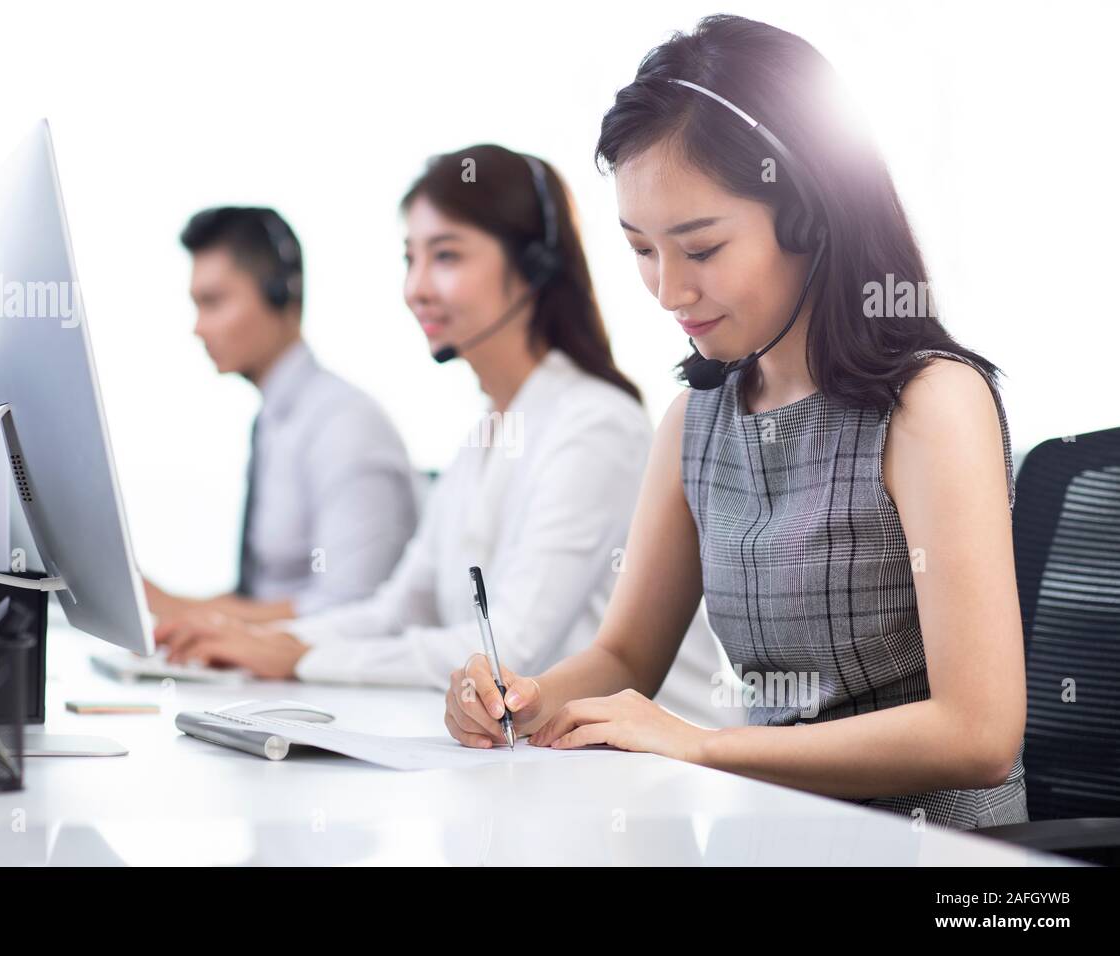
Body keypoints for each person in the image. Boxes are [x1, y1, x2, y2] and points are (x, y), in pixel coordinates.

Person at [444, 16, 1028, 830]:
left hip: (932, 853)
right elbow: (625, 657)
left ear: (810, 217)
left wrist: (704, 747)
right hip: (768, 834)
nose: (668, 290)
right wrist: (524, 697)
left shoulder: (931, 404)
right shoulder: (698, 419)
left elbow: (978, 734)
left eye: (702, 248)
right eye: (642, 249)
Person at [156, 145, 653, 688]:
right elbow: (397, 611)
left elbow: (511, 648)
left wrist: (299, 660)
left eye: (446, 257)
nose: (415, 289)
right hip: (552, 755)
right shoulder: (486, 433)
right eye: (409, 259)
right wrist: (271, 643)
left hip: (646, 764)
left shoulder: (595, 425)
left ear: (534, 266)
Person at [144, 207, 417, 625]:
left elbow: (349, 607)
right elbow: (268, 593)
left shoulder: (344, 424)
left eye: (213, 302)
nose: (198, 328)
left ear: (280, 292)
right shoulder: (274, 422)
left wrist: (182, 612)